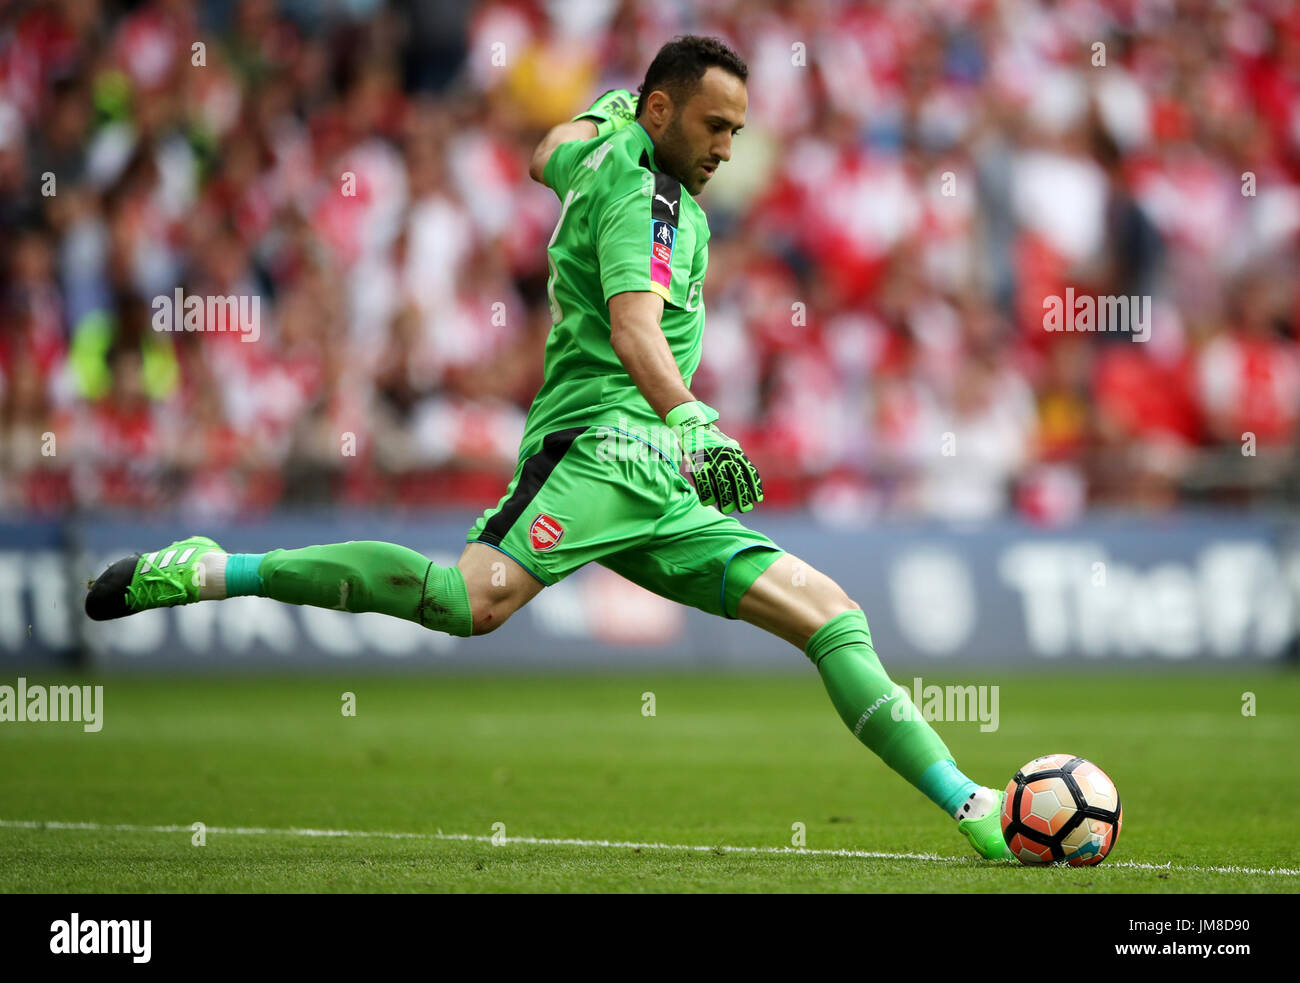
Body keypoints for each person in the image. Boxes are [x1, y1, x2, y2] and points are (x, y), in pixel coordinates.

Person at [86, 35, 1012, 860]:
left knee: (830, 616)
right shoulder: (650, 198)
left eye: (737, 128)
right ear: (662, 111)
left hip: (654, 472)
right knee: (464, 602)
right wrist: (693, 417)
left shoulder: (607, 138)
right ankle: (216, 568)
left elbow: (544, 155)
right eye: (715, 127)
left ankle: (971, 807)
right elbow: (635, 327)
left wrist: (605, 110)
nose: (728, 150)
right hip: (602, 446)